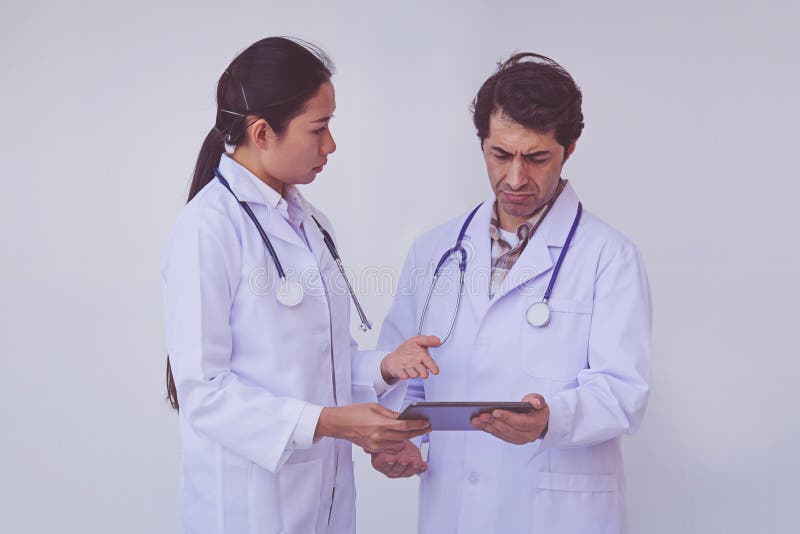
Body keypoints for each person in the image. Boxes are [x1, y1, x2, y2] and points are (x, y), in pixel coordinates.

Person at [161, 37, 440, 534]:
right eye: (319, 128)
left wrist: (385, 365)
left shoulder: (312, 224)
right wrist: (332, 423)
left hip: (324, 505)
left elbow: (318, 365)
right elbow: (204, 393)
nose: (330, 145)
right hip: (250, 510)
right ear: (262, 132)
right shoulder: (208, 228)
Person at [370, 53, 652, 533]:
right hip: (453, 508)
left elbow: (624, 393)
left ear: (570, 148)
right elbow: (404, 373)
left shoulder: (609, 257)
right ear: (482, 144)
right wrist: (401, 440)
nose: (516, 178)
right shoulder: (435, 250)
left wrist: (549, 420)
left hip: (558, 515)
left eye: (536, 157)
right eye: (501, 155)